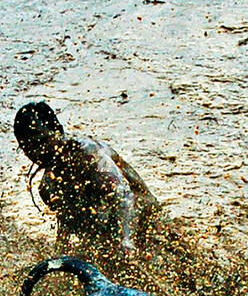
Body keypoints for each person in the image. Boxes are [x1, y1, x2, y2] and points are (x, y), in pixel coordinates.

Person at [14, 101, 161, 259]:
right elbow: (68, 224)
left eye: (41, 142)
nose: (36, 152)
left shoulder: (89, 154)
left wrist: (125, 241)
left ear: (58, 131)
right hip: (109, 230)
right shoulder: (48, 188)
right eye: (27, 148)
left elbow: (123, 197)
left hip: (144, 220)